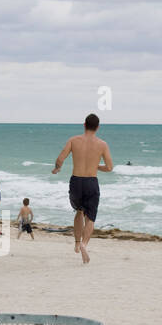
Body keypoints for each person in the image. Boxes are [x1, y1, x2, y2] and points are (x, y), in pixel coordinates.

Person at [52, 113, 114, 264]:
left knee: (79, 211)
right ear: (97, 127)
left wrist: (57, 168)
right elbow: (109, 167)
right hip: (91, 182)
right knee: (90, 217)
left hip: (76, 181)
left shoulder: (73, 140)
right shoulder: (102, 144)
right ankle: (85, 244)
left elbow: (60, 158)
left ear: (84, 125)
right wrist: (95, 166)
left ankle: (77, 243)